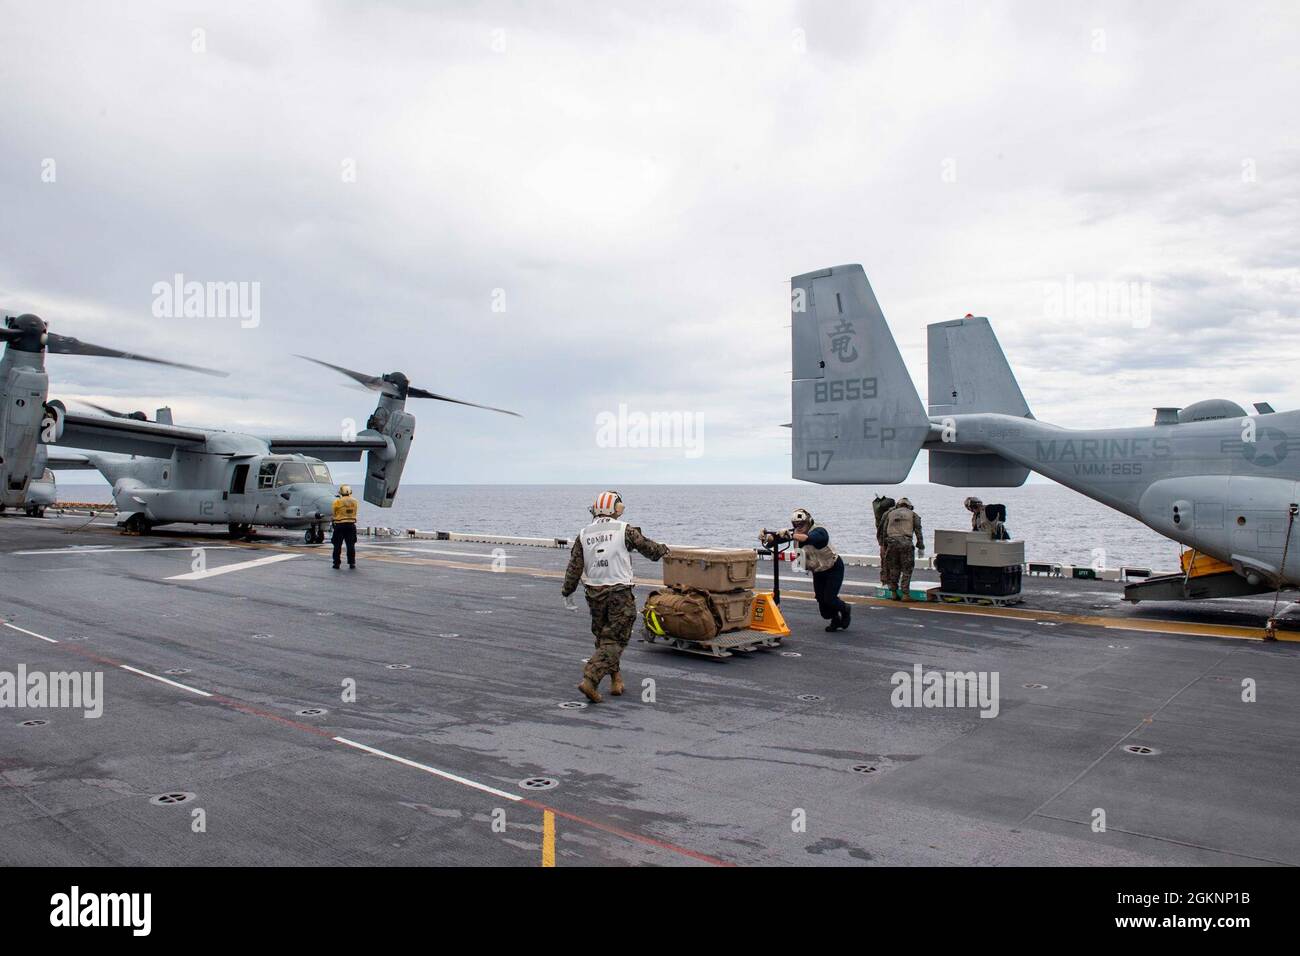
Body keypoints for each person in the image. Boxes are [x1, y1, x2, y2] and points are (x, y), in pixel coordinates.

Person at [561, 491, 669, 704]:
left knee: (603, 637)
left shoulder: (584, 534)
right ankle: (590, 680)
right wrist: (664, 550)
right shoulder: (624, 529)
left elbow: (574, 567)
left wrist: (567, 592)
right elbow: (650, 549)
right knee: (616, 640)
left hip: (594, 595)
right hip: (619, 594)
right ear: (615, 508)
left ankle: (616, 681)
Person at [765, 508, 851, 632]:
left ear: (809, 521)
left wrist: (792, 535)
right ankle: (835, 618)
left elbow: (811, 538)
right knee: (823, 606)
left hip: (833, 567)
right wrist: (768, 538)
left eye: (801, 524)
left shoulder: (819, 531)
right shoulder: (796, 534)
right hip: (818, 571)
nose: (799, 527)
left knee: (829, 599)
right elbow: (777, 540)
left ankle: (845, 609)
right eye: (795, 525)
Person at [882, 497, 924, 600]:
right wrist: (921, 546)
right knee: (907, 569)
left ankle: (893, 593)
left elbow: (884, 531)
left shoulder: (890, 514)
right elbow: (918, 531)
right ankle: (905, 594)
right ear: (909, 506)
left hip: (891, 543)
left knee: (893, 568)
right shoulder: (913, 515)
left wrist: (884, 545)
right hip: (906, 543)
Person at [331, 484, 359, 569]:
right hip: (351, 525)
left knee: (337, 545)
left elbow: (334, 512)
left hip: (340, 526)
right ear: (350, 492)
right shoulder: (355, 501)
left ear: (341, 492)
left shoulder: (337, 501)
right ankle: (352, 563)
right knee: (351, 545)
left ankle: (336, 563)